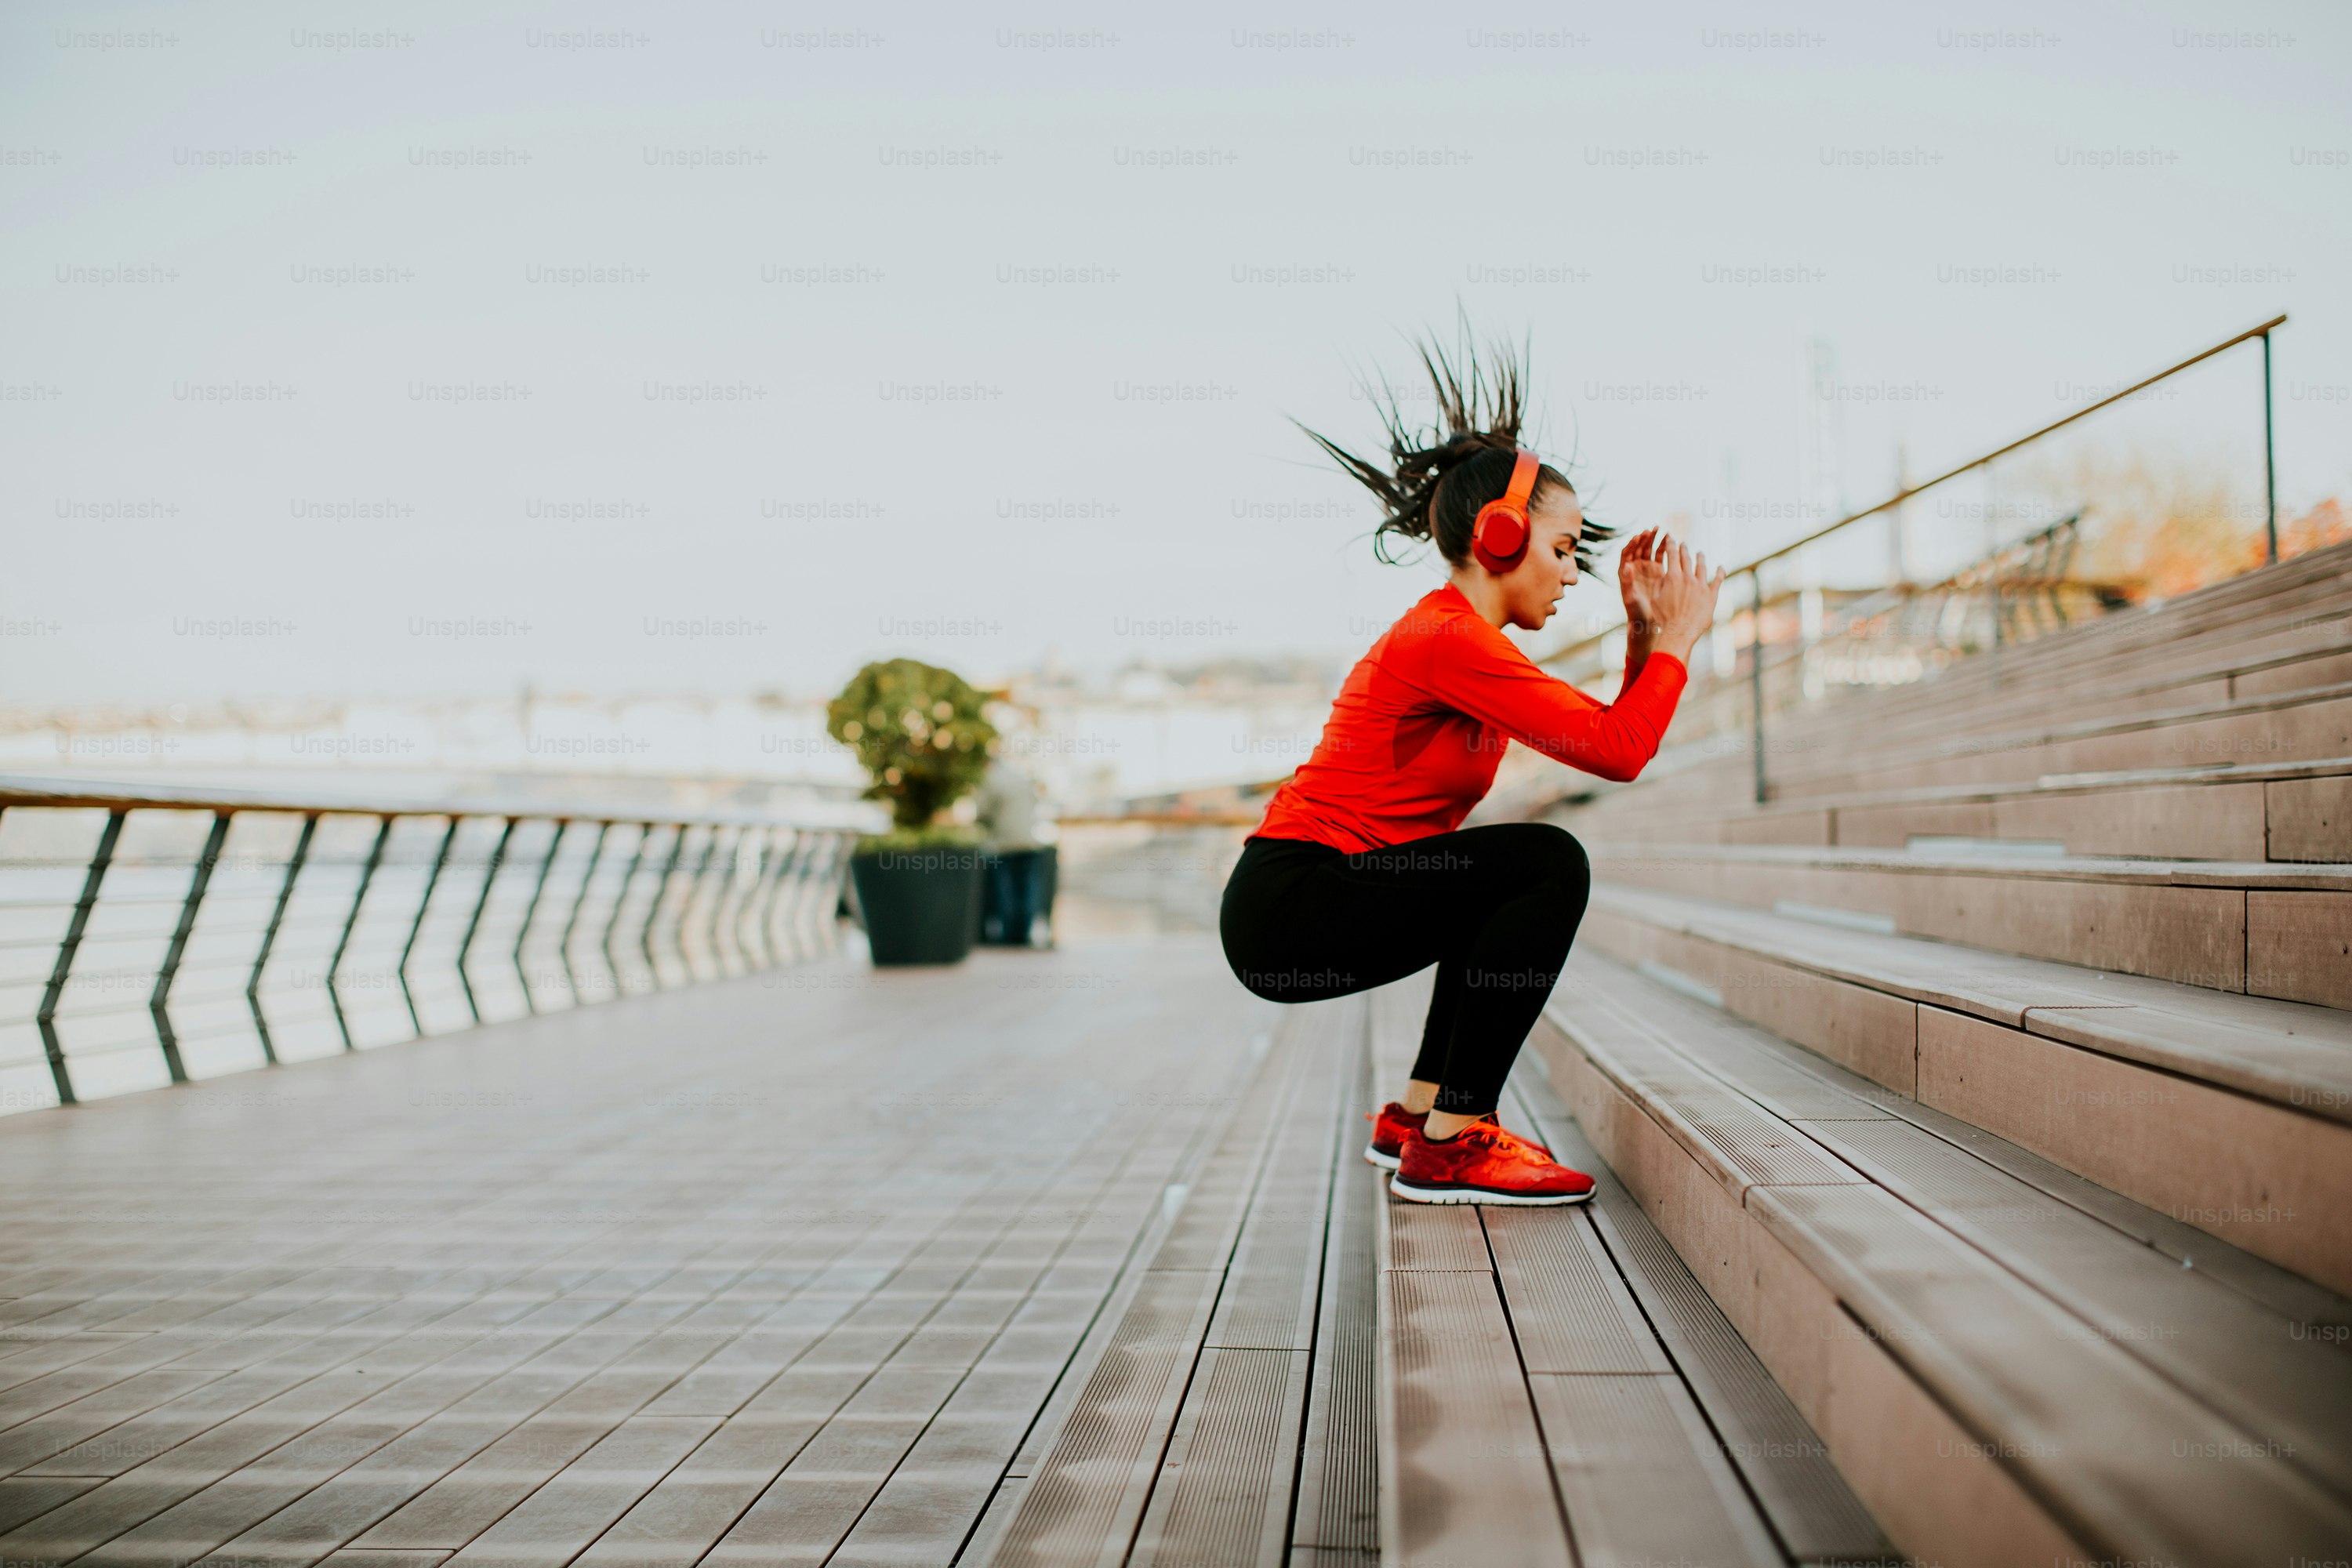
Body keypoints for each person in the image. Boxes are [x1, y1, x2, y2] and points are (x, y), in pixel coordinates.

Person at [1219, 336, 1722, 1205]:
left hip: (1297, 897)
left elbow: (1609, 735)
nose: (1571, 575)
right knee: (1546, 864)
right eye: (1564, 549)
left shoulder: (1460, 639)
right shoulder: (1449, 640)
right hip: (1293, 902)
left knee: (1495, 876)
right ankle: (1454, 1142)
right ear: (1501, 534)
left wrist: (1644, 637)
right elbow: (1621, 752)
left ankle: (1422, 1118)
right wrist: (1679, 641)